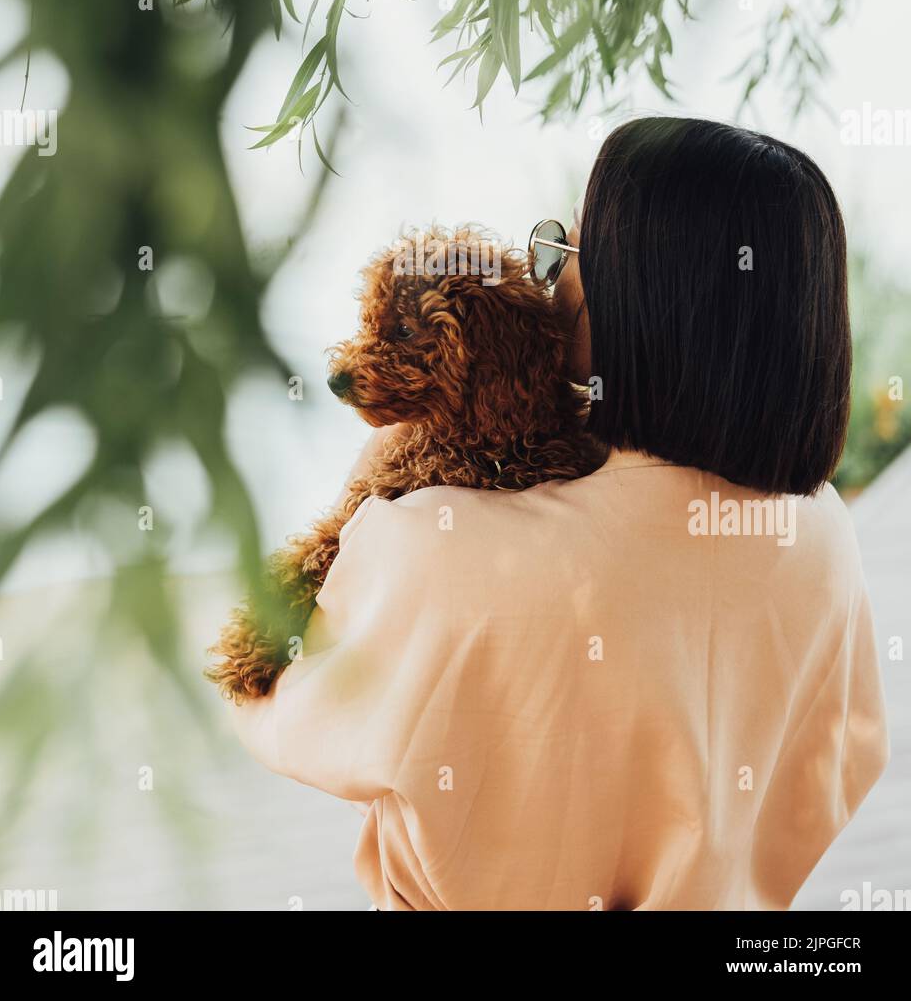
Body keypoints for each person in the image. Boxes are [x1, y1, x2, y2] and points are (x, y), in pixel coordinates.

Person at [230, 116, 889, 911]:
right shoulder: (821, 538)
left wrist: (401, 445)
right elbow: (844, 763)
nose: (550, 280)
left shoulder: (442, 543)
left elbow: (275, 698)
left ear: (646, 297)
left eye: (570, 251)